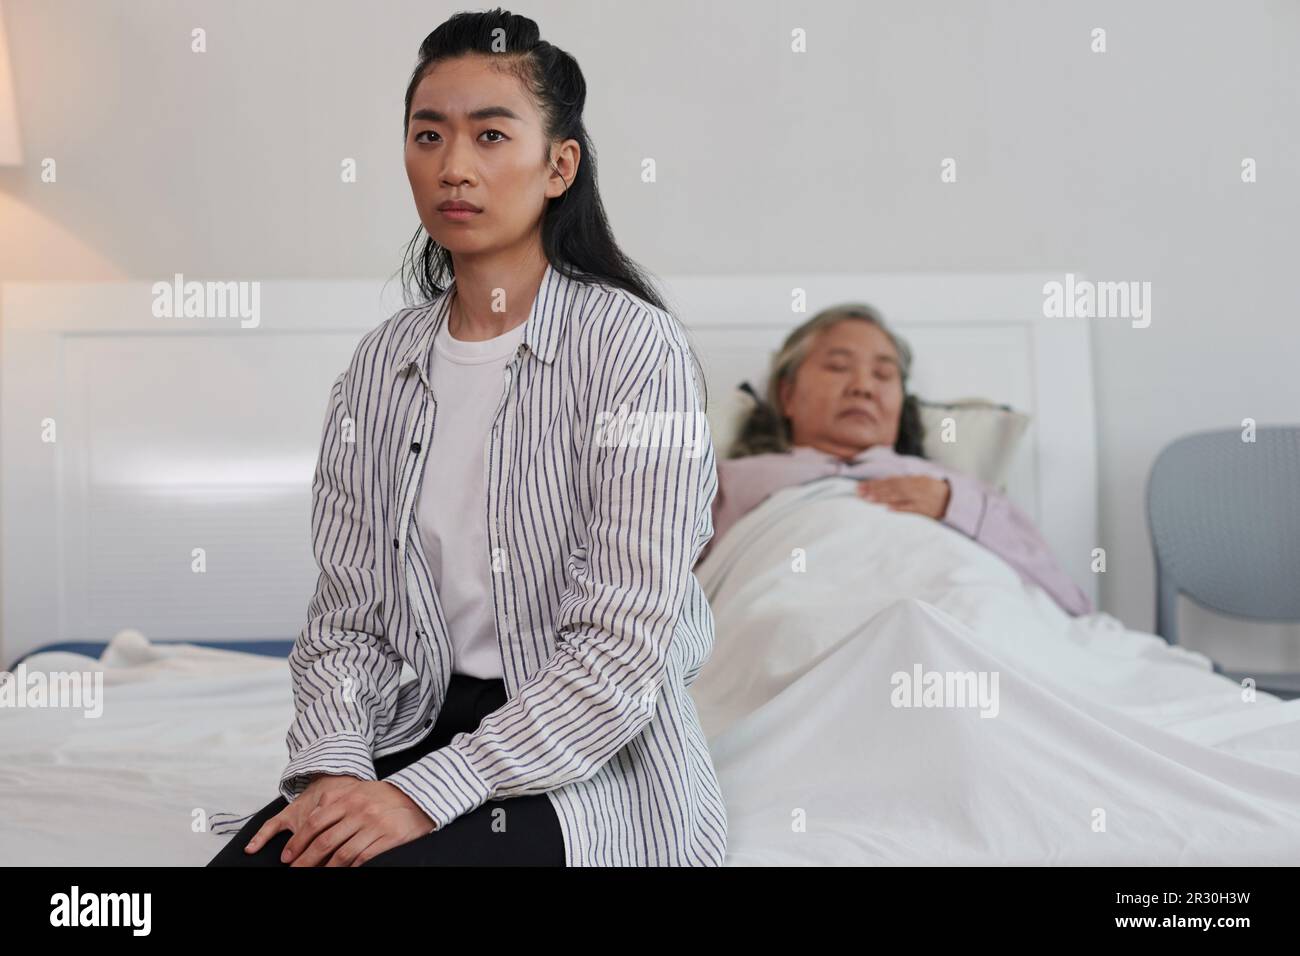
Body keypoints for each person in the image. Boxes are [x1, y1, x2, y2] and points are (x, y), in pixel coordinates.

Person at [208, 8, 725, 867]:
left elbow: (622, 649)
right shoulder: (383, 365)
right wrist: (337, 768)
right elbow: (349, 619)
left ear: (560, 166)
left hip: (578, 761)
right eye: (427, 135)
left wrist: (422, 794)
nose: (453, 167)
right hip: (412, 726)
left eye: (491, 135)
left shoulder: (635, 349)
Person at [698, 303, 1093, 618]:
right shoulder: (729, 480)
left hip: (959, 606)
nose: (863, 387)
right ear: (787, 395)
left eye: (884, 375)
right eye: (837, 367)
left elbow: (1065, 598)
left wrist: (953, 504)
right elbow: (662, 580)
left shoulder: (951, 486)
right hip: (789, 613)